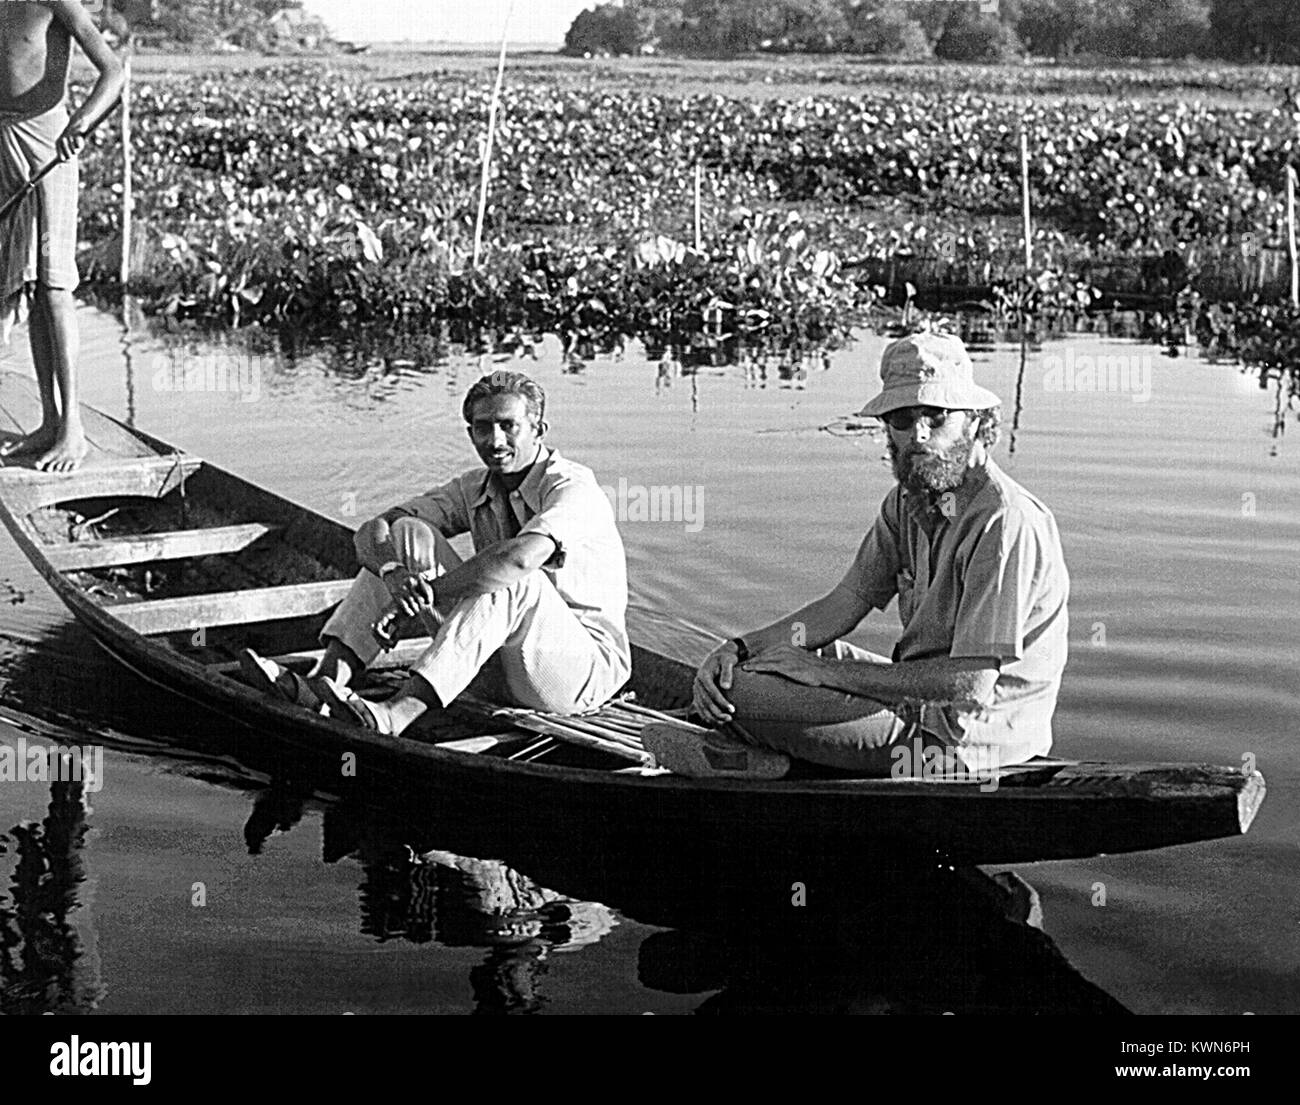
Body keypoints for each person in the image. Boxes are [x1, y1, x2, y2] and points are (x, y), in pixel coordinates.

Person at [647, 331, 1069, 779]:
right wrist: (738, 647)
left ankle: (757, 757)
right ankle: (762, 738)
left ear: (975, 422)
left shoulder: (1003, 522)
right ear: (888, 427)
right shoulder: (907, 502)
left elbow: (967, 684)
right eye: (903, 419)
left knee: (748, 694)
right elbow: (843, 603)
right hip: (923, 708)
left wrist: (822, 675)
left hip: (968, 741)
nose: (920, 434)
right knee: (767, 660)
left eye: (938, 416)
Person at [241, 371, 631, 736]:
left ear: (538, 430)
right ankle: (323, 682)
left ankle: (397, 713)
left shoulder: (573, 488)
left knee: (514, 579)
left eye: (508, 426)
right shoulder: (474, 486)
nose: (495, 441)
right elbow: (371, 531)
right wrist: (394, 575)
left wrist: (426, 596)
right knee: (405, 535)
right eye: (483, 428)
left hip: (578, 677)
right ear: (470, 433)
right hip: (499, 661)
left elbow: (518, 560)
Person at [0, 2, 123, 473]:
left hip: (48, 142)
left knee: (54, 286)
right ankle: (49, 422)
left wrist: (83, 121)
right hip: (2, 145)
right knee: (27, 288)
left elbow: (112, 71)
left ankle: (73, 429)